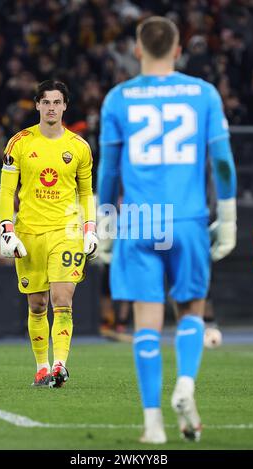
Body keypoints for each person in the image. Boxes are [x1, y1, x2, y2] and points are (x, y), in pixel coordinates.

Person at [98, 16, 236, 443]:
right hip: (187, 218)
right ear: (178, 50)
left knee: (146, 322)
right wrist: (228, 217)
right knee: (191, 311)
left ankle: (153, 426)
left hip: (139, 221)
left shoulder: (118, 99)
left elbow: (108, 169)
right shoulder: (204, 93)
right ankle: (186, 386)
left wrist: (103, 221)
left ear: (138, 50)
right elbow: (223, 162)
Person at [0, 80, 98, 387]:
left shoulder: (79, 148)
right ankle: (41, 366)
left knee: (62, 298)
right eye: (46, 102)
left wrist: (90, 229)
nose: (52, 107)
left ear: (65, 106)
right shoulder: (19, 143)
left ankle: (59, 365)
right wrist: (6, 228)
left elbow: (86, 193)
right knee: (37, 304)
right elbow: (6, 191)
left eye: (57, 102)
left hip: (65, 233)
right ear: (37, 105)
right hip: (29, 232)